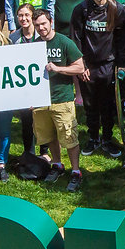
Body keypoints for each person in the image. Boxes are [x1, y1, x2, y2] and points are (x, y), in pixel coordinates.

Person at [33, 11, 87, 191]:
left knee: (69, 138)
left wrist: (58, 68)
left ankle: (76, 171)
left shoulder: (64, 42)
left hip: (61, 99)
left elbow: (80, 67)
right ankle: (57, 165)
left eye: (43, 24)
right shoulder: (34, 45)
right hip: (41, 101)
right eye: (37, 25)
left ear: (51, 22)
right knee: (49, 137)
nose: (41, 28)